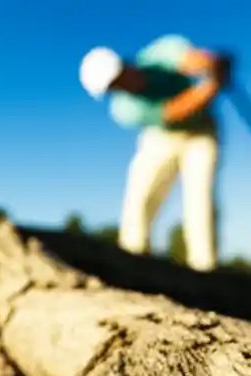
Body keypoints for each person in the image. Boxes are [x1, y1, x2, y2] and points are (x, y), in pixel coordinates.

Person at [79, 36, 233, 271]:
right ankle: (133, 264)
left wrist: (211, 63)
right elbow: (176, 110)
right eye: (112, 87)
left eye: (118, 79)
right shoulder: (123, 109)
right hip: (160, 138)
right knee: (139, 200)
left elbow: (190, 60)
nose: (120, 86)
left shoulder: (158, 53)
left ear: (123, 65)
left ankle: (205, 270)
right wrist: (214, 84)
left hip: (201, 133)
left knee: (199, 201)